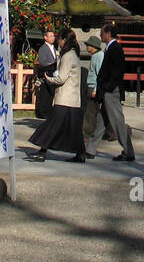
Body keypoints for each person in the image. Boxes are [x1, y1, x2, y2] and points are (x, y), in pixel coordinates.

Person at [28, 28, 88, 162]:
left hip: (65, 97)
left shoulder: (67, 56)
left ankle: (43, 150)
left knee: (52, 125)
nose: (57, 41)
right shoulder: (73, 54)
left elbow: (61, 78)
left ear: (64, 40)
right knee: (73, 128)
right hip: (73, 97)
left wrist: (48, 79)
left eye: (59, 38)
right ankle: (80, 153)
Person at [87, 24, 135, 161]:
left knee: (117, 121)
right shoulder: (111, 48)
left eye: (102, 32)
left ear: (108, 33)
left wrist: (108, 87)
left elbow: (117, 72)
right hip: (107, 90)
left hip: (111, 91)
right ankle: (90, 149)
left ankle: (128, 151)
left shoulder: (115, 48)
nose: (101, 35)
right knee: (101, 121)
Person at [82, 34, 105, 140]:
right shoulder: (95, 56)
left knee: (90, 112)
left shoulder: (99, 56)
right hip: (90, 85)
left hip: (94, 87)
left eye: (88, 45)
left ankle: (86, 133)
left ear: (93, 46)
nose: (87, 47)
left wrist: (96, 89)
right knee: (93, 111)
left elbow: (100, 74)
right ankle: (109, 131)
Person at [33, 29, 58, 119]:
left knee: (51, 95)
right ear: (45, 37)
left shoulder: (54, 48)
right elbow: (42, 62)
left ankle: (49, 111)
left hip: (53, 73)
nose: (53, 38)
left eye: (53, 36)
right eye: (50, 36)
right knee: (45, 94)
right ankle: (43, 112)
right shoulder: (43, 48)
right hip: (46, 73)